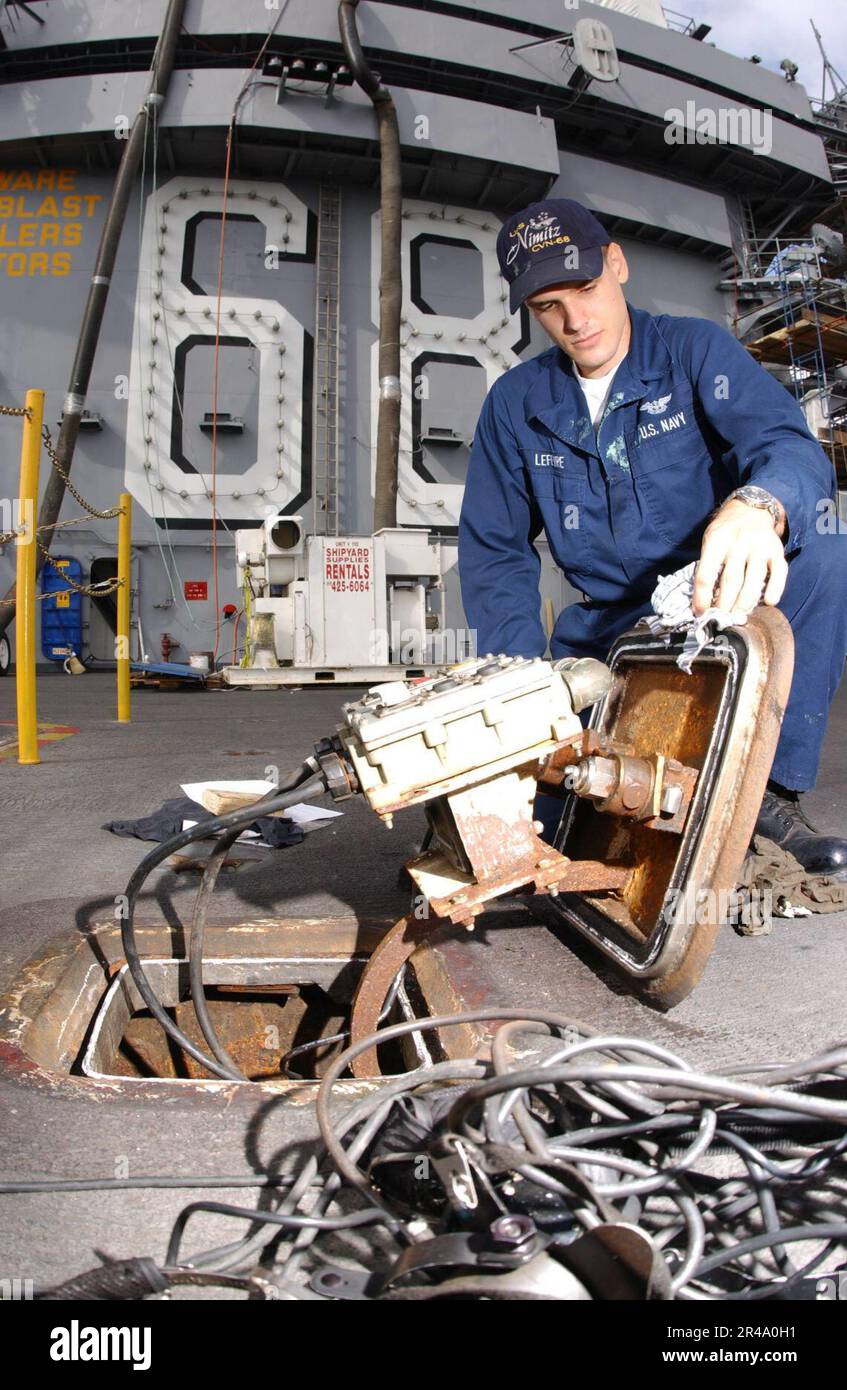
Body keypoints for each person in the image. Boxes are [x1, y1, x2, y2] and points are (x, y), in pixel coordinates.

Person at [458, 198, 847, 878]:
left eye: (583, 289)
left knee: (830, 551)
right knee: (538, 836)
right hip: (606, 630)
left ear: (615, 263)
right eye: (549, 305)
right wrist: (517, 684)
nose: (574, 321)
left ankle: (768, 795)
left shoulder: (693, 352)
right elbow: (495, 549)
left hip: (713, 597)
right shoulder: (514, 404)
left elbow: (788, 447)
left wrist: (757, 504)